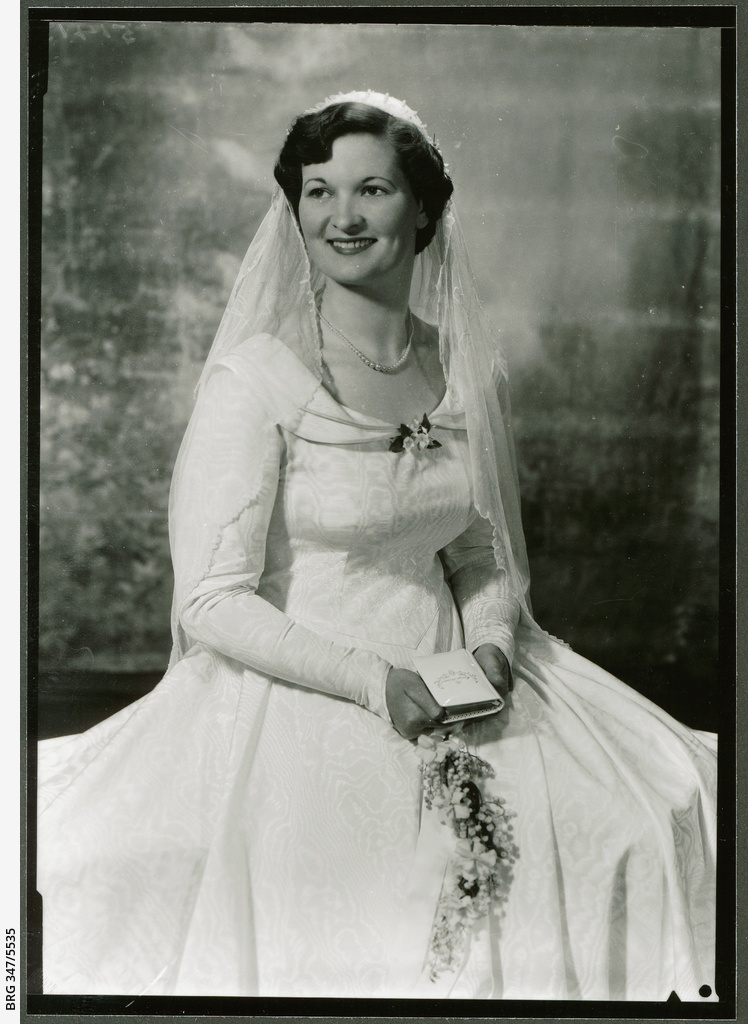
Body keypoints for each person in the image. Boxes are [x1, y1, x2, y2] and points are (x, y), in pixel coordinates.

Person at [37, 91, 717, 1001]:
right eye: (318, 192)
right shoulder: (257, 381)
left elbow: (477, 548)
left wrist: (491, 643)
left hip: (455, 670)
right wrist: (370, 681)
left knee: (653, 807)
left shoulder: (459, 364)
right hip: (298, 680)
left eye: (371, 190)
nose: (342, 217)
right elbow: (210, 599)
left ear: (425, 208)